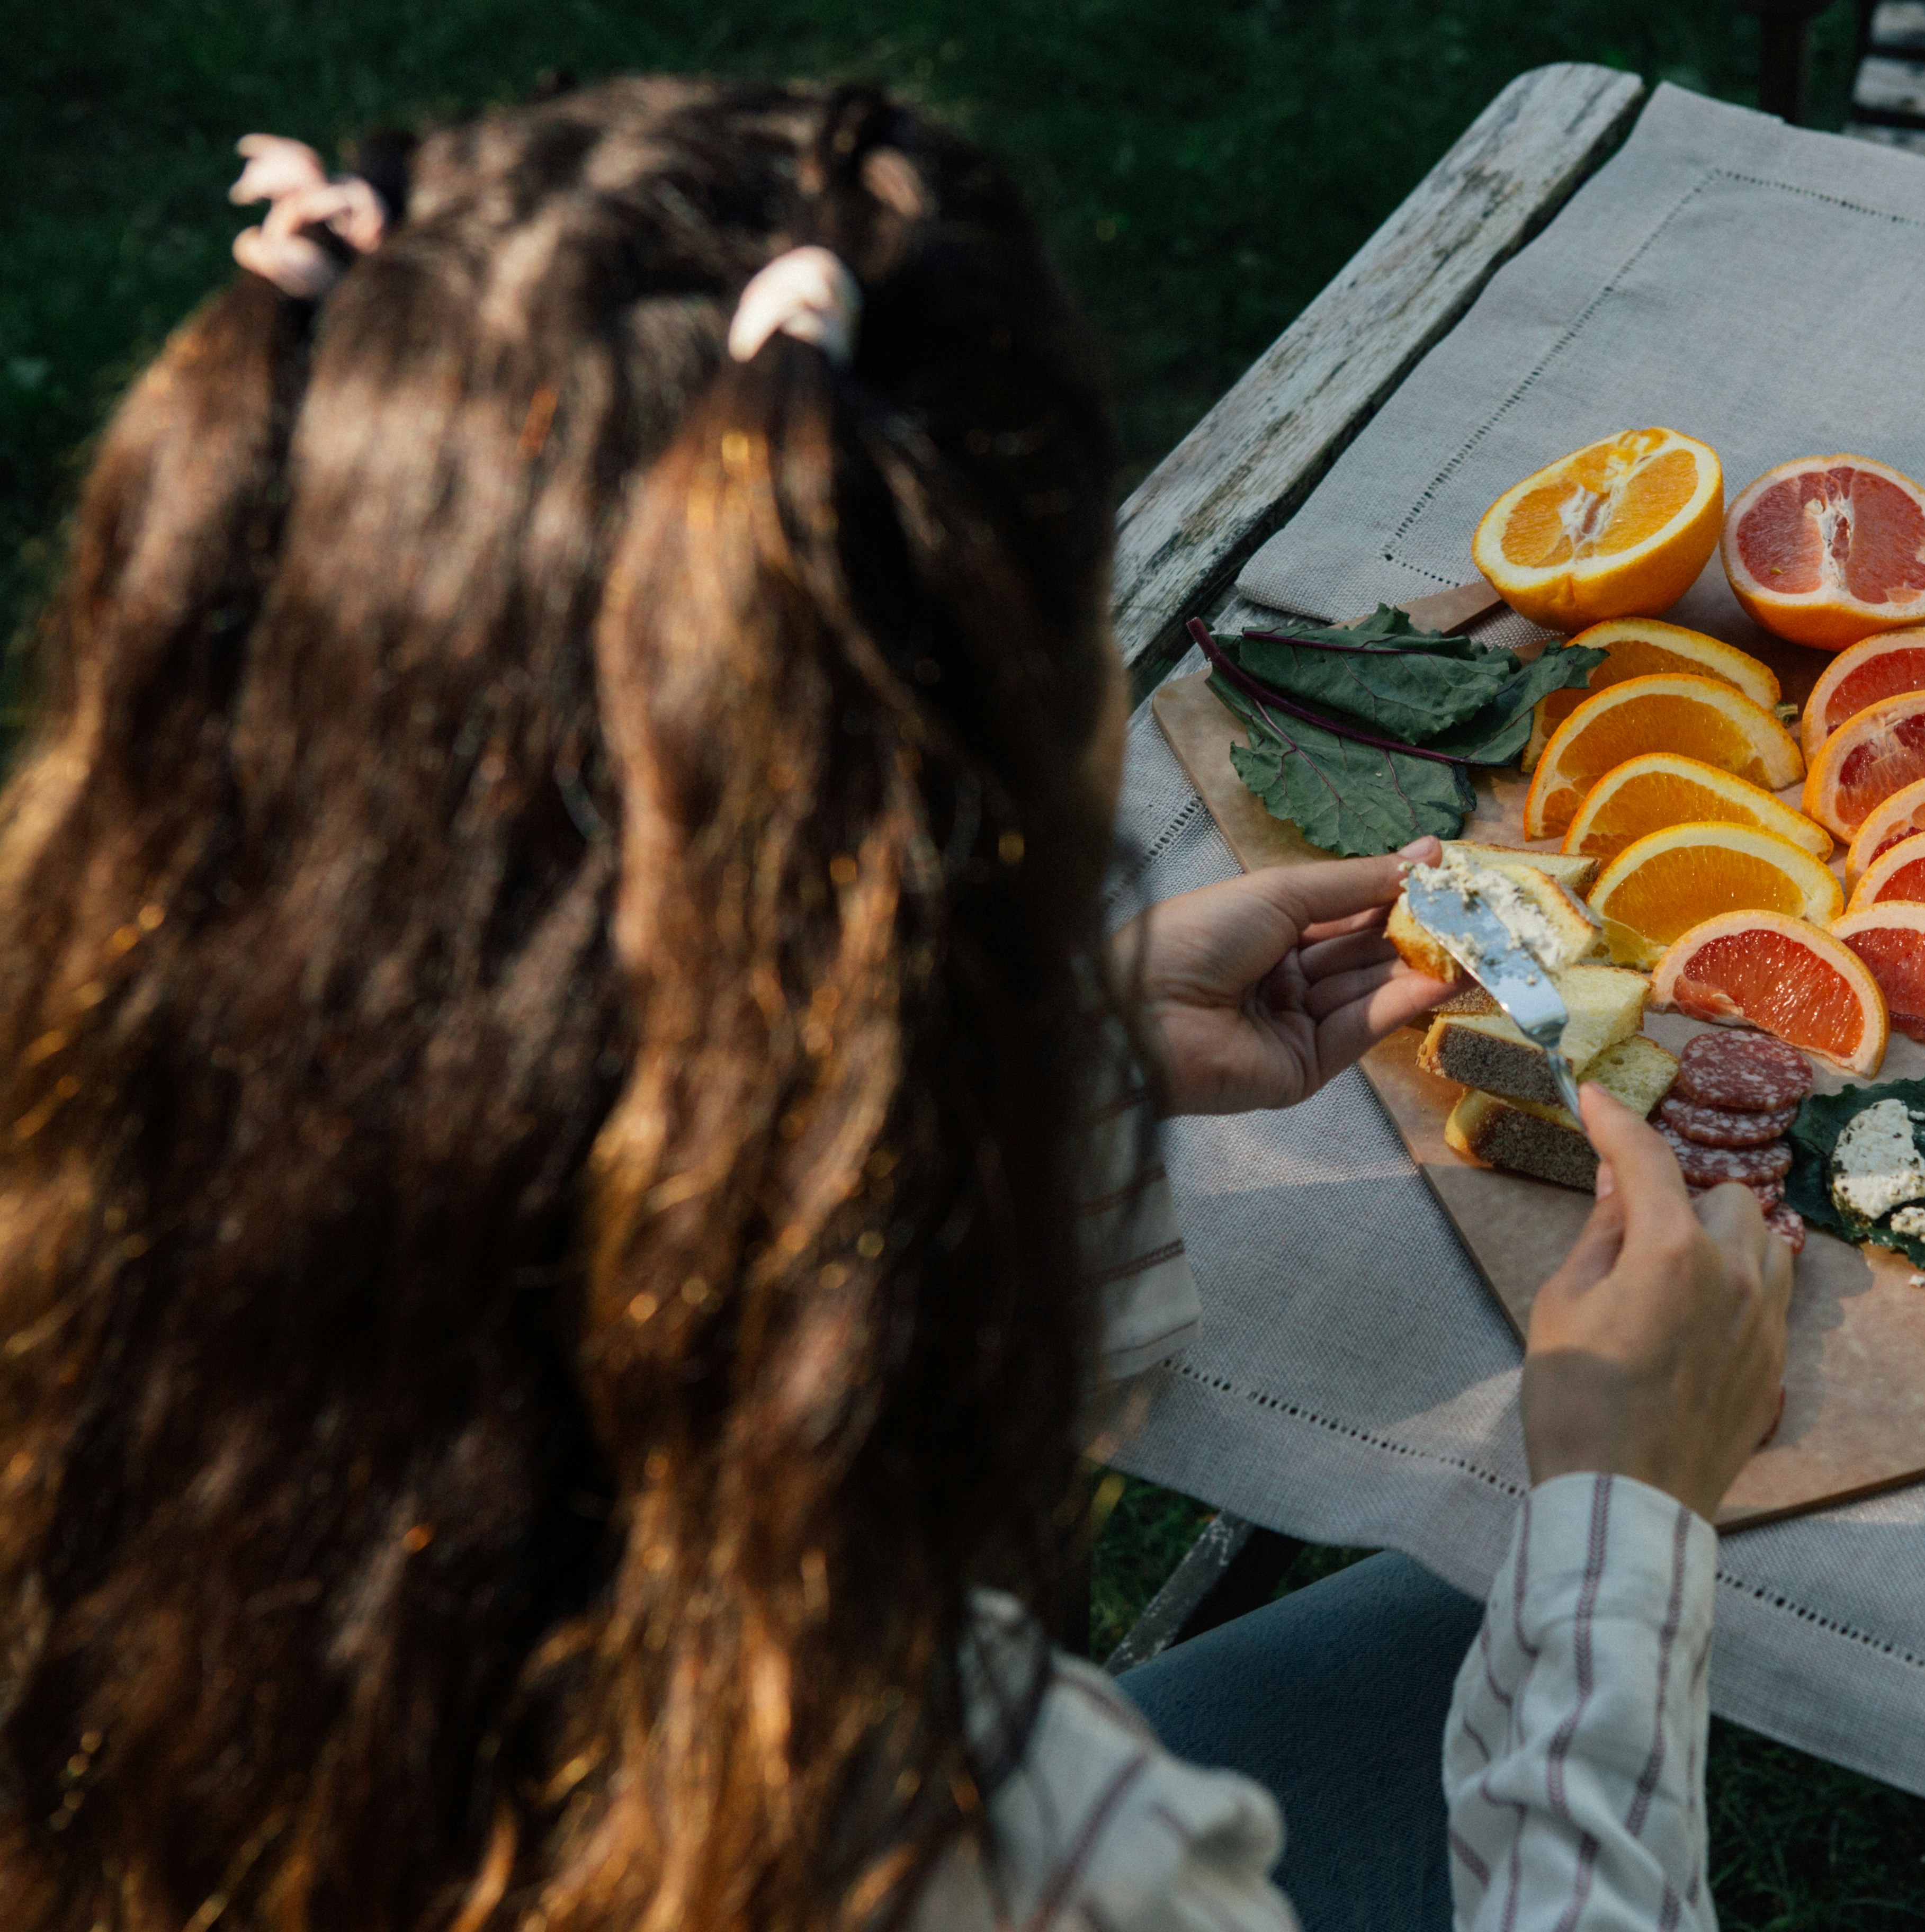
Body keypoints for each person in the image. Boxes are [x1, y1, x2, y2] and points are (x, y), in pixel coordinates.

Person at [0, 76, 1791, 1932]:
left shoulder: (135, 1227)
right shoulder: (984, 1834)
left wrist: (1035, 1067)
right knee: (1501, 1607)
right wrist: (1622, 1529)